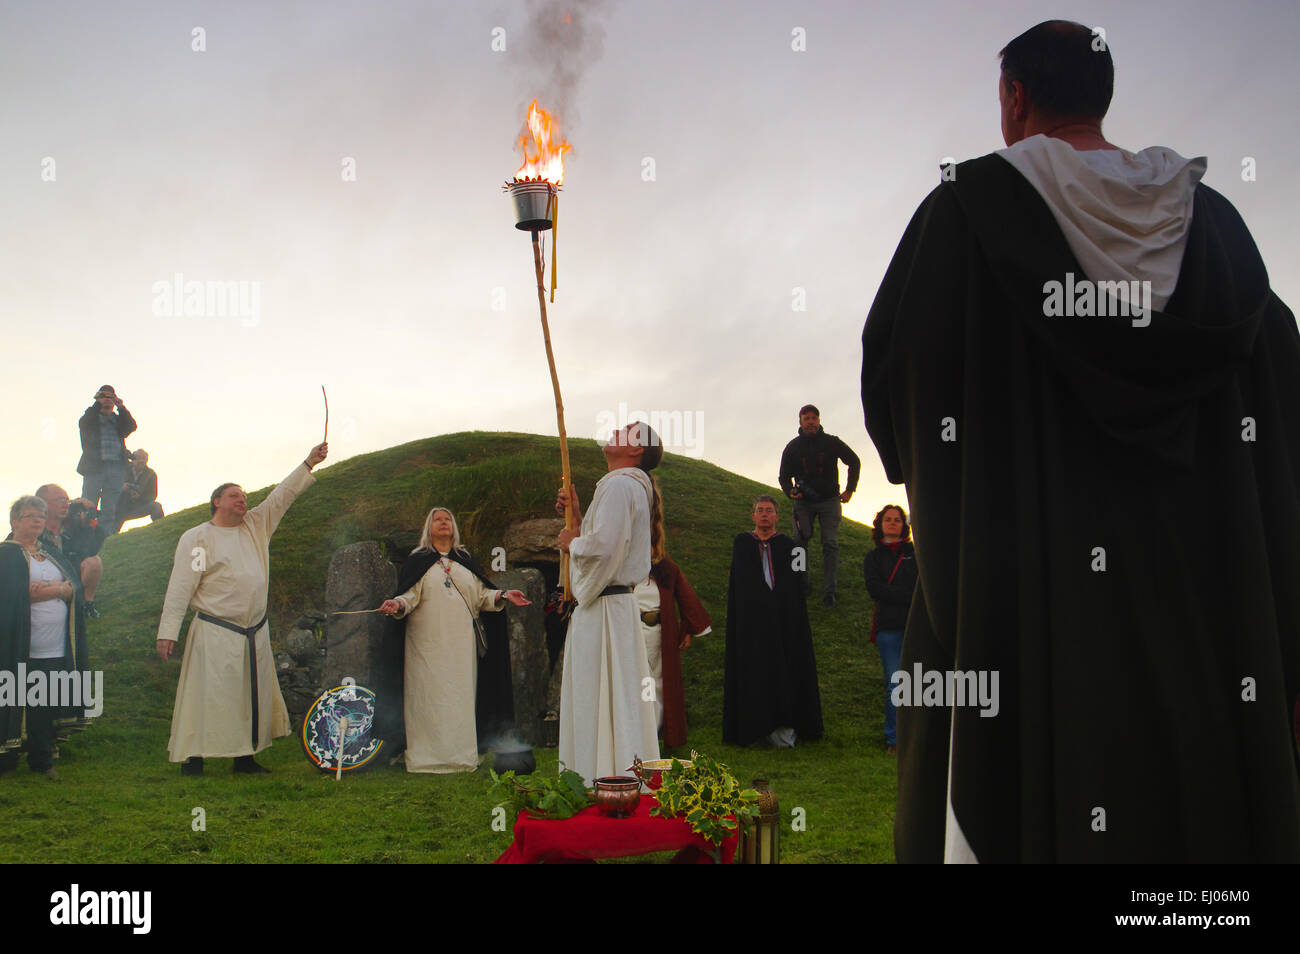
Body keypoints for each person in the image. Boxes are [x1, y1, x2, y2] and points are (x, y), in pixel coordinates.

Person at [862, 20, 1300, 862]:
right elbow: (1278, 411)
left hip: (1022, 615)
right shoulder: (1216, 232)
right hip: (1203, 618)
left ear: (1015, 98)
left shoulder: (965, 217)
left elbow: (899, 382)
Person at [155, 441, 328, 775]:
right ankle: (194, 759)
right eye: (235, 495)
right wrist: (168, 632)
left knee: (251, 696)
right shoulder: (197, 539)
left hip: (254, 630)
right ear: (217, 502)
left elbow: (283, 496)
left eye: (245, 495)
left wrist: (309, 463)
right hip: (215, 629)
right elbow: (181, 586)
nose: (243, 500)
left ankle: (245, 758)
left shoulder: (255, 526)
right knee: (206, 696)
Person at [377, 508, 529, 773]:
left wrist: (503, 594)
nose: (443, 522)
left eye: (448, 519)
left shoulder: (464, 559)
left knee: (459, 697)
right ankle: (425, 757)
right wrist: (396, 603)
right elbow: (409, 597)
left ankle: (462, 756)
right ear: (429, 528)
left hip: (461, 647)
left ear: (454, 527)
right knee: (426, 699)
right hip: (425, 647)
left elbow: (482, 596)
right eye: (437, 519)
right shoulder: (418, 560)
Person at [555, 421, 662, 785]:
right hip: (615, 610)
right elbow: (609, 542)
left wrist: (573, 542)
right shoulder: (623, 486)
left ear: (637, 450)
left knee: (599, 693)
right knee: (617, 695)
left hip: (604, 609)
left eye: (628, 430)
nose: (617, 430)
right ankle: (615, 773)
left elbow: (603, 549)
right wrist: (580, 518)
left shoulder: (620, 485)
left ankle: (598, 777)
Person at [722, 496, 823, 748]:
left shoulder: (791, 546)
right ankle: (754, 729)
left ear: (777, 516)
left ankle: (784, 731)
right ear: (753, 516)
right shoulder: (742, 543)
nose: (765, 515)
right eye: (760, 510)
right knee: (754, 671)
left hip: (784, 623)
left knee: (786, 671)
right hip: (752, 624)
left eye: (769, 511)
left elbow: (801, 582)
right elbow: (741, 583)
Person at [0, 496, 82, 778]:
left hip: (55, 643)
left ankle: (42, 758)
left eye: (41, 515)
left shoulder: (49, 553)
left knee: (44, 703)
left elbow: (73, 586)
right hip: (20, 643)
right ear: (15, 521)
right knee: (13, 697)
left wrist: (52, 588)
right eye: (30, 515)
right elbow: (14, 594)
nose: (37, 520)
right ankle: (8, 758)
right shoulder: (6, 554)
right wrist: (57, 589)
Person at [637, 483, 712, 749]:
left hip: (657, 634)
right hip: (627, 631)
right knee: (633, 683)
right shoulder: (620, 567)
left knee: (655, 685)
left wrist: (688, 629)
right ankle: (635, 734)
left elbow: (687, 598)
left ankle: (653, 733)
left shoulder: (665, 568)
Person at [778, 405, 860, 607]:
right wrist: (790, 491)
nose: (811, 422)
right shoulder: (792, 447)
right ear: (800, 422)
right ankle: (800, 584)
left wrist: (850, 489)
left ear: (819, 420)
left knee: (830, 544)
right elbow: (783, 477)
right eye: (806, 418)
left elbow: (854, 461)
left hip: (829, 501)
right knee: (798, 543)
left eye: (814, 418)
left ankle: (830, 591)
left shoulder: (832, 442)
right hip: (803, 502)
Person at [863, 505, 916, 755]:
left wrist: (897, 594)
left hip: (915, 626)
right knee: (894, 683)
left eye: (897, 520)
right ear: (880, 524)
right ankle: (894, 739)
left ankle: (917, 735)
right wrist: (906, 596)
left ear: (904, 525)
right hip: (888, 628)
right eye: (888, 519)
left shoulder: (915, 553)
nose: (893, 523)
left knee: (919, 683)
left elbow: (921, 585)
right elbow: (875, 588)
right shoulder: (873, 557)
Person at [36, 485, 104, 621]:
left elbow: (90, 551)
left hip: (69, 578)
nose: (66, 505)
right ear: (43, 504)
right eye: (60, 500)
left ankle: (86, 603)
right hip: (42, 581)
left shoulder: (73, 525)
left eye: (68, 500)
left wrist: (86, 524)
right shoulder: (33, 528)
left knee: (94, 562)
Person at [76, 385, 136, 533]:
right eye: (104, 397)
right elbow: (84, 422)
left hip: (116, 468)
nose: (107, 401)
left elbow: (131, 426)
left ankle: (103, 537)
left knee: (109, 507)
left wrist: (121, 407)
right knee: (88, 504)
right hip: (95, 468)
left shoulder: (117, 420)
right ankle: (84, 535)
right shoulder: (90, 419)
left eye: (110, 398)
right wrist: (98, 403)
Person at [114, 449, 164, 531]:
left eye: (144, 458)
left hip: (138, 506)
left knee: (156, 506)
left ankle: (160, 529)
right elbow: (110, 486)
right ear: (133, 459)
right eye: (138, 458)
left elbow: (153, 495)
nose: (141, 461)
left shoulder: (151, 474)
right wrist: (121, 487)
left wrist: (139, 497)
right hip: (119, 507)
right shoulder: (122, 469)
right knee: (112, 530)